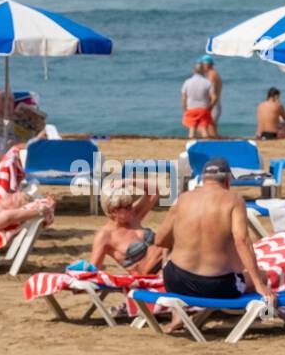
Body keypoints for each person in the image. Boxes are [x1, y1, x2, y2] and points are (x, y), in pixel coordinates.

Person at [151, 157, 275, 306]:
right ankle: (255, 316)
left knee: (174, 256)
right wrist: (258, 283)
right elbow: (242, 241)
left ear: (203, 179)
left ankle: (180, 315)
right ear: (228, 180)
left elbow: (159, 240)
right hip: (217, 286)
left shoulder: (183, 199)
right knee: (262, 276)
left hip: (176, 282)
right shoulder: (234, 200)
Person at [90, 179, 166, 275]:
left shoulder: (133, 215)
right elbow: (92, 270)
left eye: (130, 205)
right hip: (153, 275)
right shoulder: (105, 236)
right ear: (113, 211)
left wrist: (127, 181)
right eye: (127, 207)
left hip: (171, 260)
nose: (131, 209)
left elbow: (154, 190)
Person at [181, 62, 216, 138]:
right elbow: (214, 97)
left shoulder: (187, 82)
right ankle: (206, 146)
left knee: (192, 129)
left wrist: (185, 108)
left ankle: (191, 145)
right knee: (204, 129)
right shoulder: (207, 82)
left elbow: (184, 97)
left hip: (191, 108)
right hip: (203, 108)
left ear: (194, 71)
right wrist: (210, 107)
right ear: (203, 71)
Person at [202, 55, 222, 137]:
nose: (202, 66)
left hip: (213, 104)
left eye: (203, 64)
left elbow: (212, 92)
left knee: (210, 128)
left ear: (208, 64)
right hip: (216, 104)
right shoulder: (214, 74)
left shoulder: (211, 75)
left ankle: (215, 145)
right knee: (212, 127)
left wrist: (209, 106)